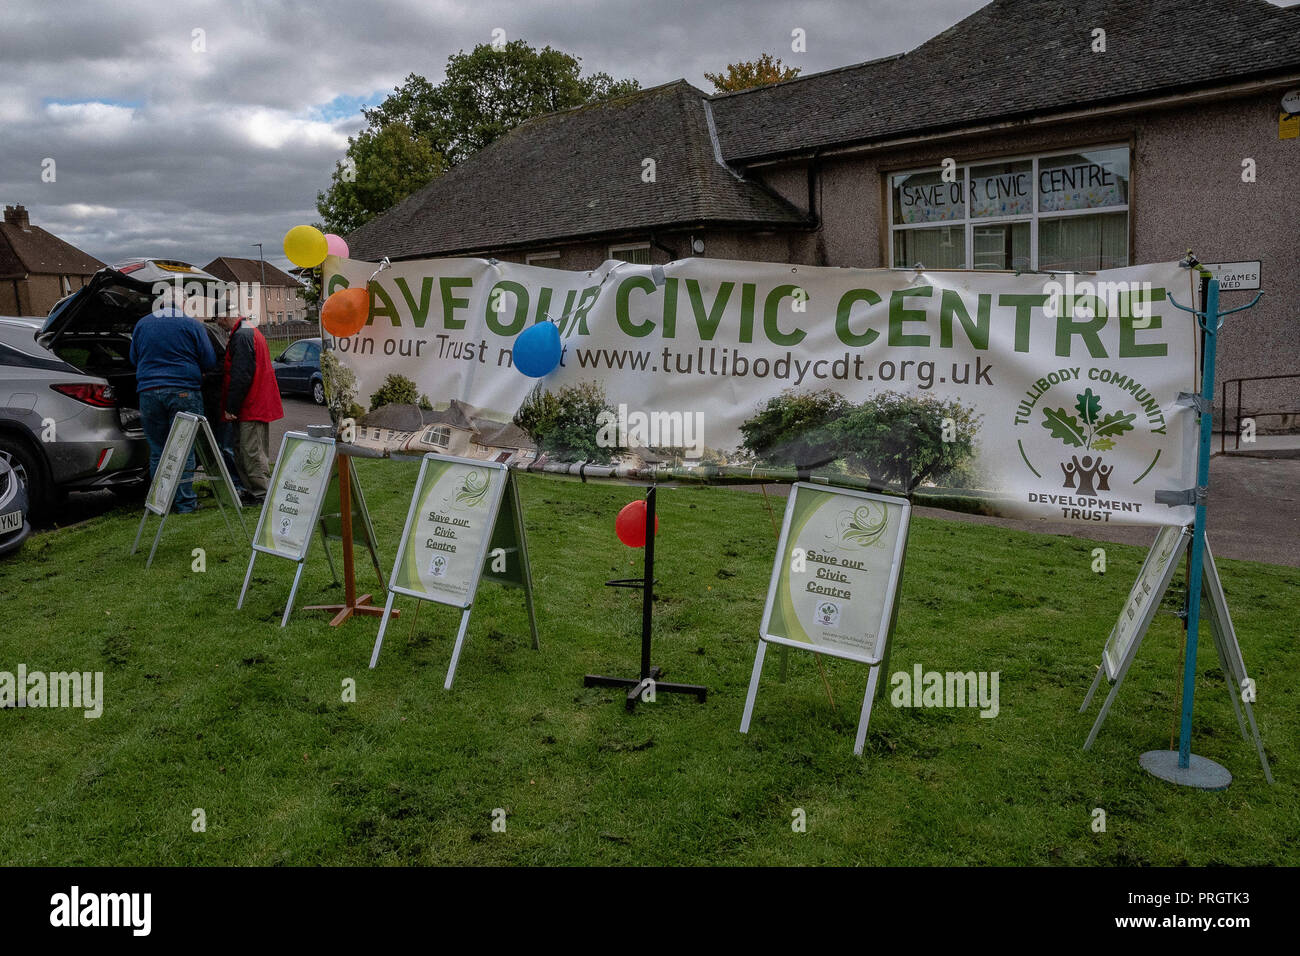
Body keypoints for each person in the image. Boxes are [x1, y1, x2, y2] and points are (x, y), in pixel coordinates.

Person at [129, 288, 217, 513]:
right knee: (183, 447)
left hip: (148, 391)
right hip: (183, 390)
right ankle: (185, 502)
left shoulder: (142, 325)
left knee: (158, 449)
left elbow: (133, 358)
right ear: (183, 302)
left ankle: (161, 502)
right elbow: (209, 360)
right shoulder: (191, 325)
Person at [216, 313, 283, 502]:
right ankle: (253, 490)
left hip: (251, 404)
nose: (217, 323)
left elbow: (241, 374)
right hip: (252, 402)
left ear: (225, 316)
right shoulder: (246, 331)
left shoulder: (242, 335)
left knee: (250, 450)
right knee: (244, 449)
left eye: (217, 318)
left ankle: (262, 493)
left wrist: (231, 407)